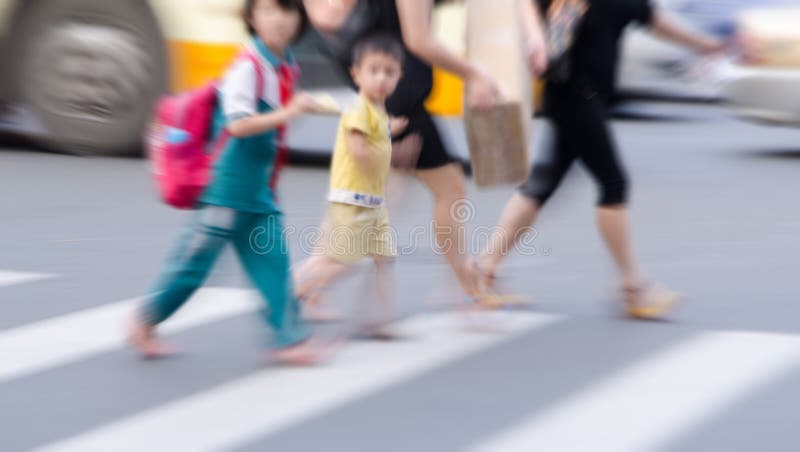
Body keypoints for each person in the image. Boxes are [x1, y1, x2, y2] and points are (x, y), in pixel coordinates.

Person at [472, 0, 726, 319]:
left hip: (580, 96)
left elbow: (653, 18)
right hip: (576, 95)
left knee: (542, 185)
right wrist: (535, 35)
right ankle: (633, 285)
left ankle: (484, 269)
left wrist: (704, 44)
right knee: (613, 184)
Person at [301, 0, 549, 306]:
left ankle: (314, 280)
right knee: (428, 192)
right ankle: (308, 283)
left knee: (378, 198)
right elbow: (418, 39)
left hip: (397, 94)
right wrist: (473, 74)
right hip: (402, 98)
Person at [128, 0, 331, 364]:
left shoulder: (286, 64)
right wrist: (289, 112)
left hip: (258, 188)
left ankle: (289, 339)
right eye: (269, 11)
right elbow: (238, 125)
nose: (279, 20)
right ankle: (145, 320)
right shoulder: (247, 67)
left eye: (287, 11)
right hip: (227, 187)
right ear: (252, 18)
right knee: (195, 263)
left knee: (273, 262)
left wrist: (292, 114)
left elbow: (274, 126)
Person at [294, 34, 404, 334]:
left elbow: (375, 138)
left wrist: (389, 132)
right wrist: (387, 148)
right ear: (356, 73)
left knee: (384, 258)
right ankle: (297, 290)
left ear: (398, 77)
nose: (381, 78)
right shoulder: (359, 109)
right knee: (342, 263)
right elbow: (358, 150)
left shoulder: (379, 112)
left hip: (371, 202)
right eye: (374, 70)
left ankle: (382, 320)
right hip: (353, 200)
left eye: (389, 72)